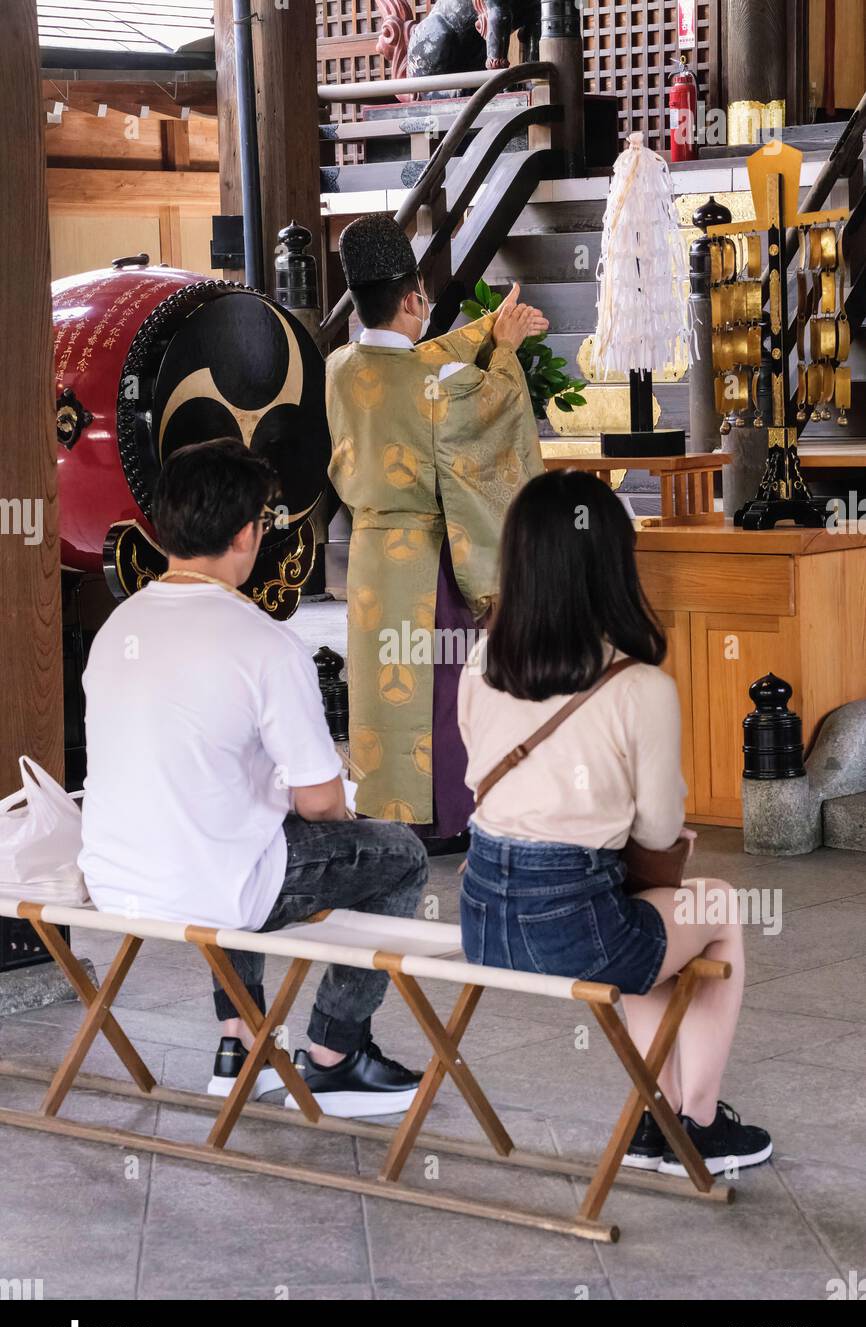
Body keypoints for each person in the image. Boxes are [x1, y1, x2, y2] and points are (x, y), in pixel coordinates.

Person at [79, 438, 428, 1118]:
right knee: (400, 857)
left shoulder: (119, 625)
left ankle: (240, 1042)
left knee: (236, 827)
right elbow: (322, 801)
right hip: (212, 886)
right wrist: (337, 813)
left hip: (115, 876)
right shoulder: (264, 641)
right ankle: (335, 1054)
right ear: (247, 532)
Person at [456, 470, 772, 1176]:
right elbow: (661, 832)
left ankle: (657, 1118)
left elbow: (480, 779)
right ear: (611, 563)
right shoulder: (641, 685)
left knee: (649, 919)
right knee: (716, 904)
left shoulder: (480, 661)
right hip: (576, 930)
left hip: (482, 918)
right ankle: (698, 1122)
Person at [327, 212, 547, 849]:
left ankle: (383, 805)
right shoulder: (443, 385)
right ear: (410, 298)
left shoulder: (340, 367)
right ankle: (445, 815)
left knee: (378, 686)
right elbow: (488, 406)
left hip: (370, 555)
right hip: (428, 556)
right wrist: (502, 349)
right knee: (441, 685)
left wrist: (486, 330)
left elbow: (419, 359)